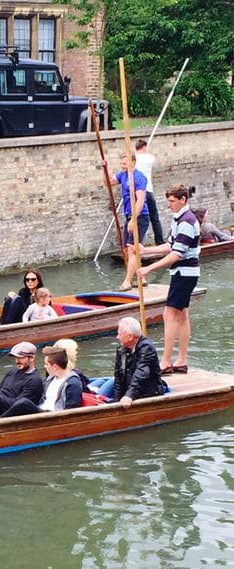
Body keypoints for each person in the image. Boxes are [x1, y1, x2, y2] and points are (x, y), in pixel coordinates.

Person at [137, 184, 200, 375]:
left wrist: (149, 268)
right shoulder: (180, 220)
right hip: (184, 274)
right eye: (168, 201)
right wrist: (146, 250)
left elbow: (176, 255)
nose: (169, 205)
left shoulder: (187, 222)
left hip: (184, 273)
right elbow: (170, 245)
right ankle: (181, 360)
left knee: (169, 315)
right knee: (180, 315)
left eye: (172, 201)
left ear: (183, 200)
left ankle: (166, 362)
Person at [104, 153, 150, 291]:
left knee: (132, 249)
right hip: (130, 216)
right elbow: (108, 183)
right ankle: (141, 278)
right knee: (125, 249)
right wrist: (104, 169)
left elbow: (140, 201)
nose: (122, 166)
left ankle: (128, 281)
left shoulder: (139, 177)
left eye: (125, 163)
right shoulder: (123, 175)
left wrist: (134, 220)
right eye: (121, 163)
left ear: (133, 163)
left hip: (140, 216)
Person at [0, 344, 83, 417]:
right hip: (41, 411)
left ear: (55, 367)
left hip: (54, 416)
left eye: (46, 364)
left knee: (24, 402)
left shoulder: (72, 383)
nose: (44, 366)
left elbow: (72, 412)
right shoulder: (50, 379)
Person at [111, 316, 165, 409]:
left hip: (147, 391)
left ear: (130, 336)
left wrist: (129, 395)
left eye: (119, 334)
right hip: (128, 386)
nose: (117, 337)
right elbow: (118, 376)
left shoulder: (146, 348)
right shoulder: (121, 349)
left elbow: (141, 373)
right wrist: (116, 401)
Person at [135, 139, 164, 245]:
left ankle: (136, 243)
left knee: (139, 217)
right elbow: (151, 158)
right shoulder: (150, 158)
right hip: (148, 191)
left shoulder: (133, 159)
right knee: (154, 218)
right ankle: (160, 242)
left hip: (137, 193)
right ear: (144, 147)